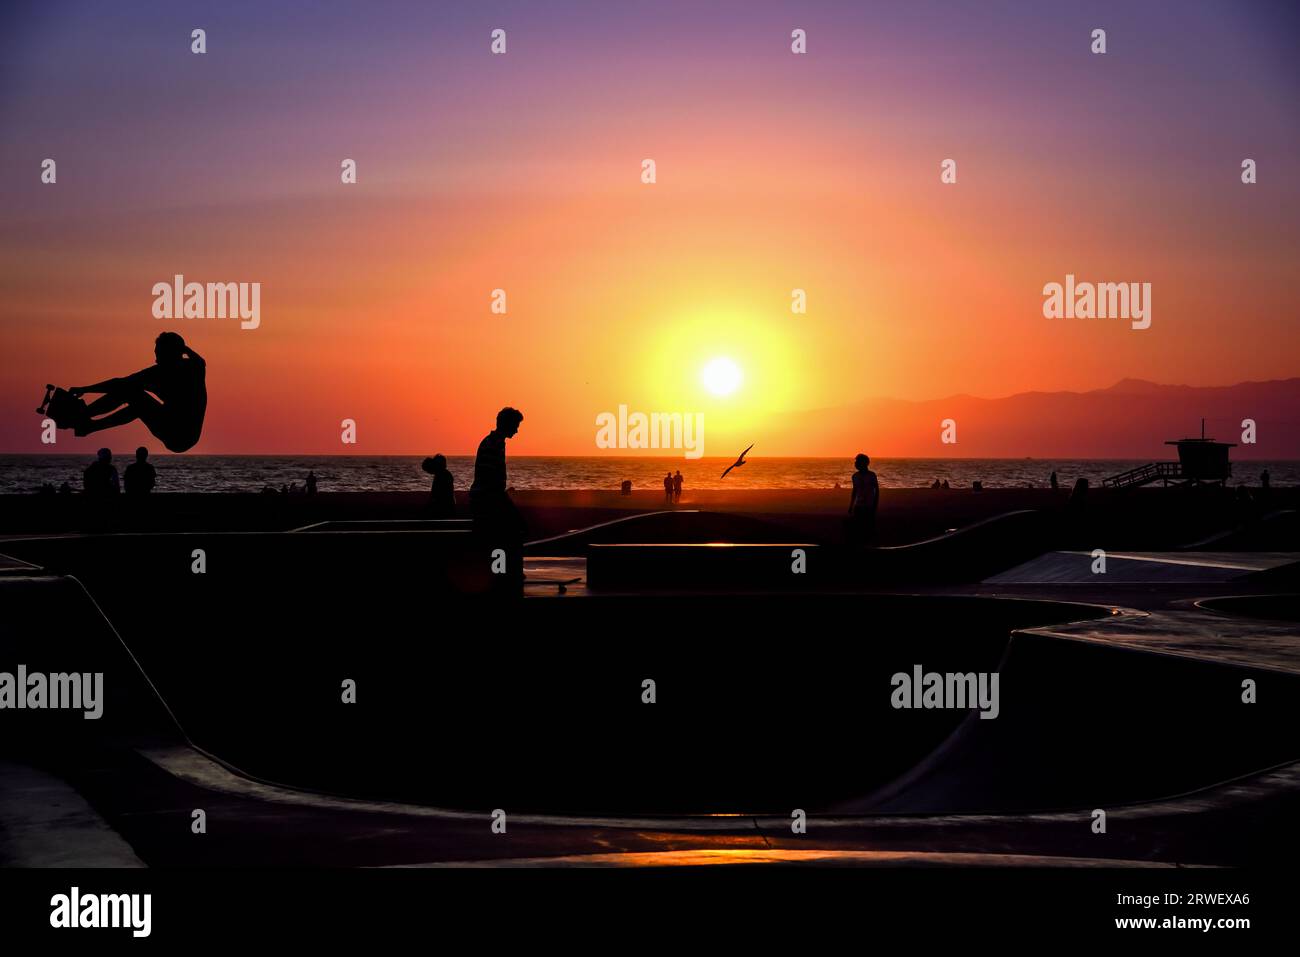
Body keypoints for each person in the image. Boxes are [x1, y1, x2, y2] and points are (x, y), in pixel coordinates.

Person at [67, 332, 206, 453]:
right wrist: (85, 389)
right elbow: (118, 383)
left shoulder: (192, 369)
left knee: (133, 394)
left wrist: (85, 390)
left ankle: (84, 417)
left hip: (180, 434)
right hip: (171, 428)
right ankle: (87, 424)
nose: (156, 360)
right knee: (135, 404)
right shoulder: (159, 372)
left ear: (171, 354)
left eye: (159, 355)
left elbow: (200, 361)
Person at [471, 407, 526, 587]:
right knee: (511, 530)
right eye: (516, 426)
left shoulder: (494, 442)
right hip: (488, 498)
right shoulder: (493, 444)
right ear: (507, 424)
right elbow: (489, 478)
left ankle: (501, 571)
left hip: (489, 496)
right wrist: (501, 499)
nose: (517, 431)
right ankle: (504, 571)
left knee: (501, 534)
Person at [847, 453, 879, 545]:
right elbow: (855, 491)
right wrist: (851, 505)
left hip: (869, 505)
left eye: (858, 462)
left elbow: (876, 490)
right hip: (858, 506)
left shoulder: (872, 475)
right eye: (856, 462)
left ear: (865, 463)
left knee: (869, 527)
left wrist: (875, 504)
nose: (856, 464)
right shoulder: (855, 476)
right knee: (858, 527)